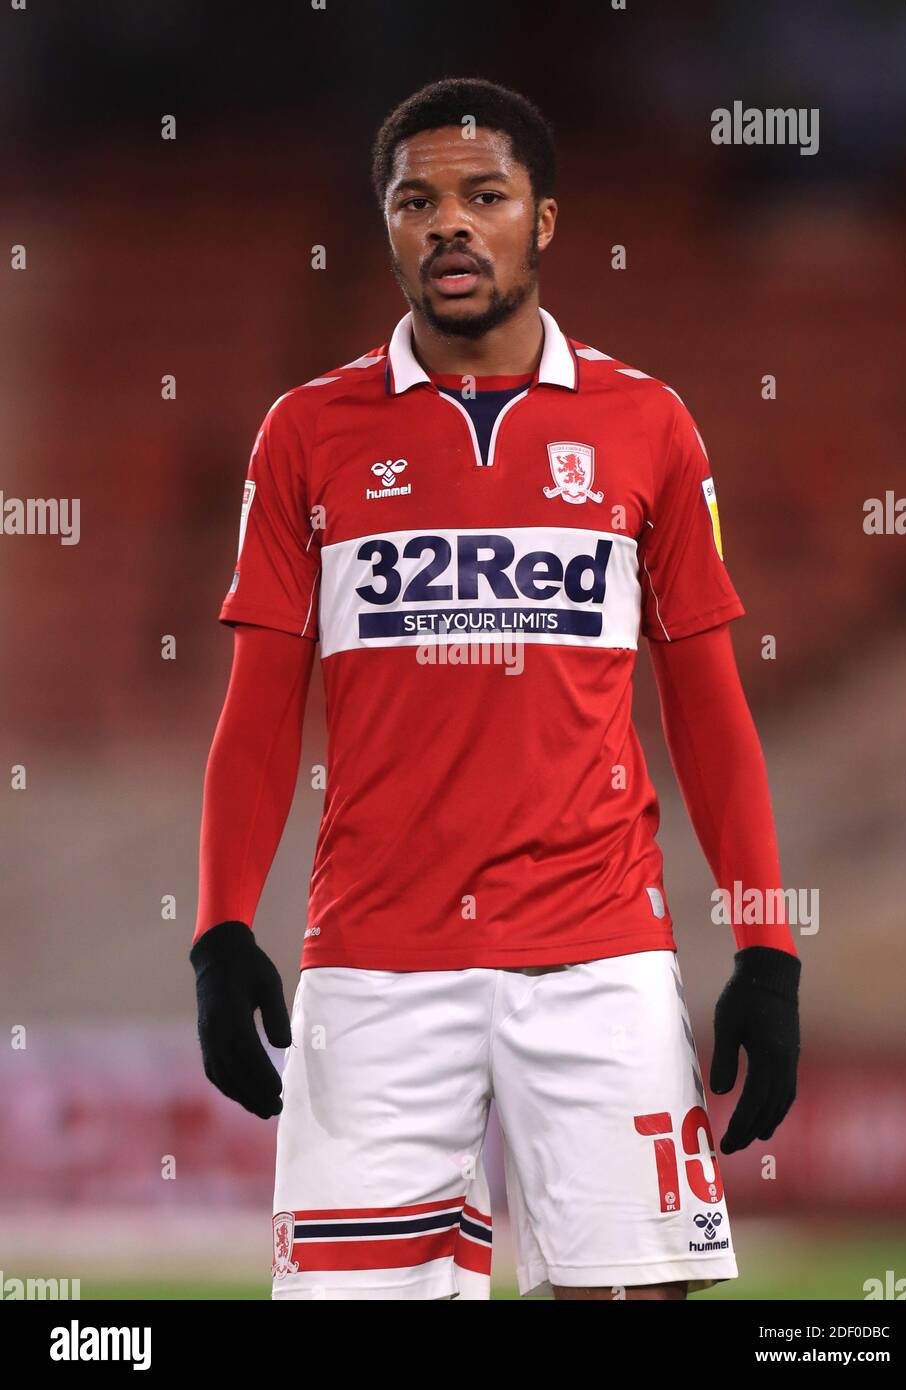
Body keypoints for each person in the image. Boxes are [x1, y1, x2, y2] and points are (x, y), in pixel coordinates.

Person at [190, 77, 801, 1302]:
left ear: (545, 220)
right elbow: (258, 710)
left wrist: (767, 947)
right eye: (415, 201)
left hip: (598, 962)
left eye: (483, 195)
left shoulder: (649, 426)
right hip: (371, 964)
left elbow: (709, 709)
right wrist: (218, 930)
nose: (446, 224)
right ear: (387, 227)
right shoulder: (304, 434)